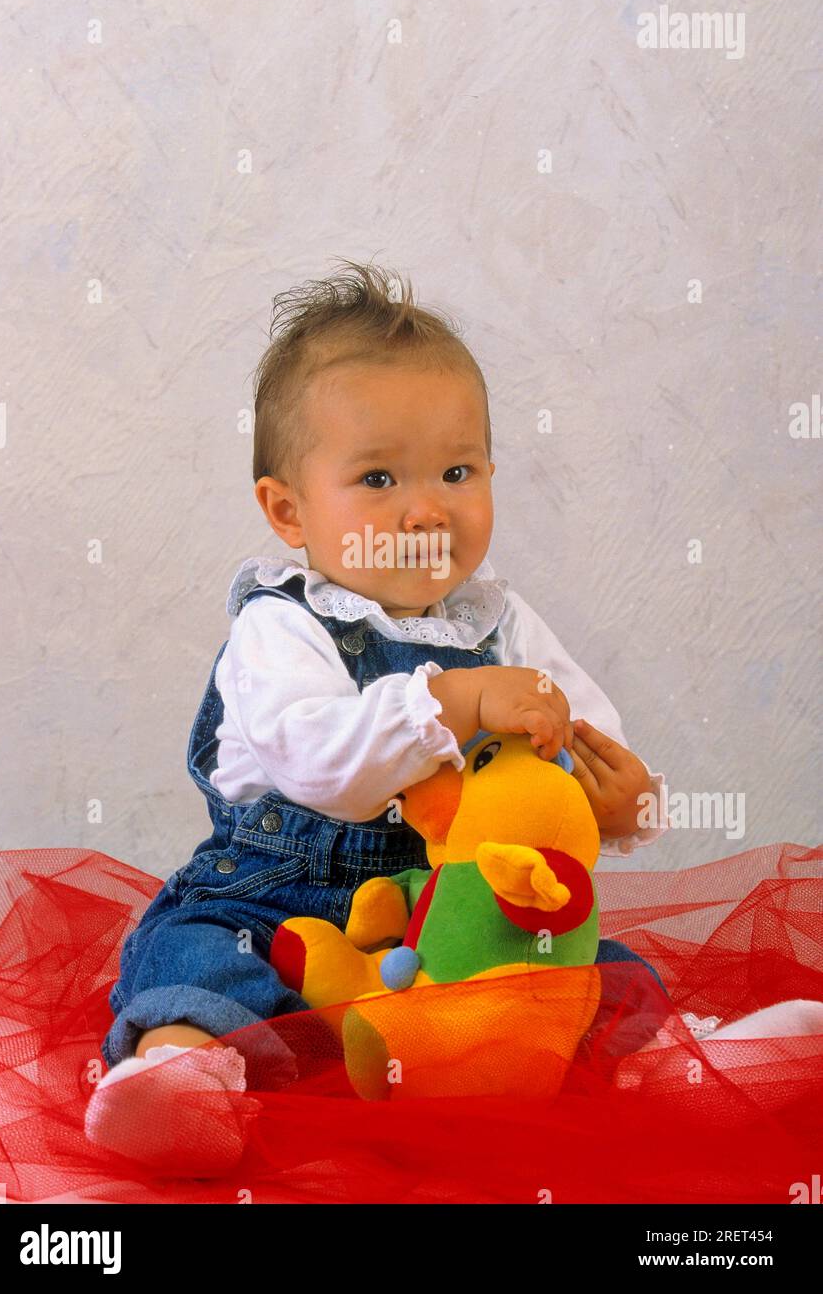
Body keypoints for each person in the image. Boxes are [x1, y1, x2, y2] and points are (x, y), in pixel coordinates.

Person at [83, 259, 680, 1173]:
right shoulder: (281, 624)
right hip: (279, 897)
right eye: (376, 478)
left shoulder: (501, 622)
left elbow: (577, 742)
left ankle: (674, 1069)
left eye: (455, 469)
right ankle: (184, 1078)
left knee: (601, 967)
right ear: (288, 510)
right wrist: (450, 700)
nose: (425, 506)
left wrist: (622, 795)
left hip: (454, 918)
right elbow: (319, 763)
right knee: (198, 957)